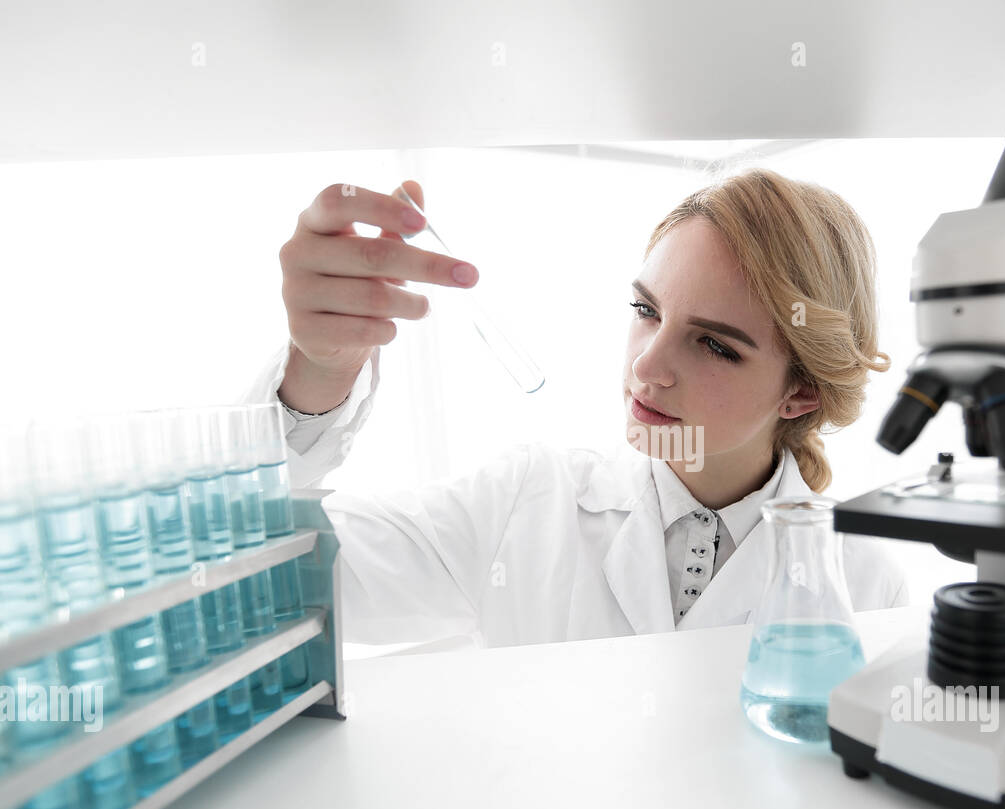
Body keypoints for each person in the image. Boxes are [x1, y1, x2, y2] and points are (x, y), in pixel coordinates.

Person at [244, 169, 909, 649]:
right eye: (647, 312)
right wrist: (319, 373)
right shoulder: (524, 504)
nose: (647, 367)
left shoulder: (864, 580)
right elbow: (258, 569)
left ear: (801, 392)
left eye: (713, 343)